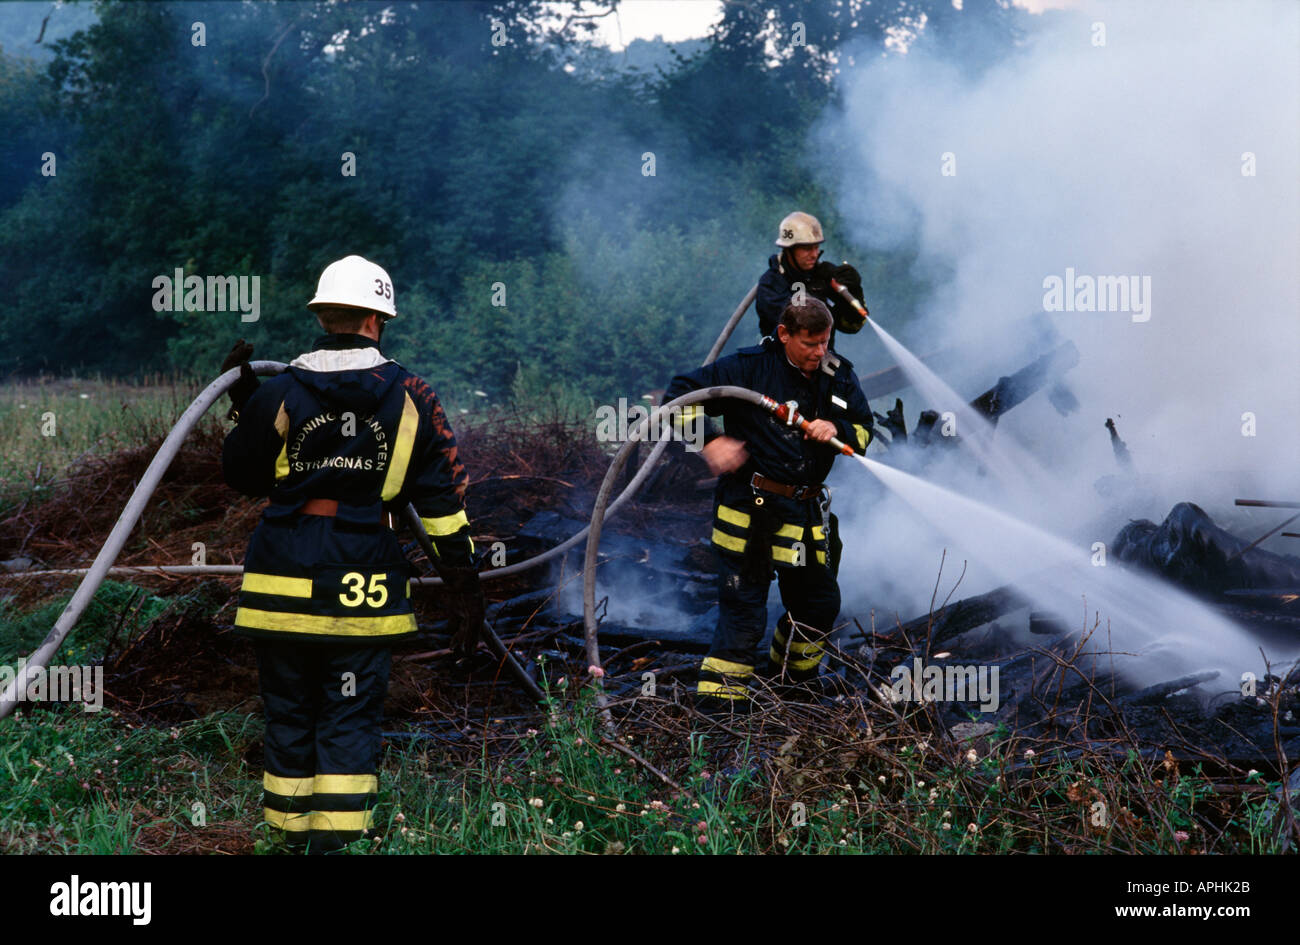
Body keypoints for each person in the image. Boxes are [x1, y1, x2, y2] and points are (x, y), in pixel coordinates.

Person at [220, 254, 483, 852]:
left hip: (279, 582)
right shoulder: (413, 395)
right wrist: (464, 581)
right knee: (347, 717)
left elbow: (240, 473)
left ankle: (286, 842)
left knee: (287, 716)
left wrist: (245, 404)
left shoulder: (282, 389)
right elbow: (441, 502)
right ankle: (336, 847)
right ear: (375, 319)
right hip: (360, 582)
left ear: (322, 314)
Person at [663, 297, 874, 715]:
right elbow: (678, 395)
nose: (819, 352)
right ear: (784, 335)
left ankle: (793, 692)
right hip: (749, 511)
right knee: (743, 614)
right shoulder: (749, 368)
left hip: (806, 514)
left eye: (824, 342)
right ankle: (720, 721)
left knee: (817, 606)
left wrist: (841, 428)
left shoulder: (838, 375)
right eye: (809, 343)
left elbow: (865, 431)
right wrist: (711, 441)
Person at [755, 211, 868, 344]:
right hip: (781, 362)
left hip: (822, 359)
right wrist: (818, 298)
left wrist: (853, 291)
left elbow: (851, 326)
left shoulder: (822, 274)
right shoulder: (770, 284)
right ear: (789, 249)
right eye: (807, 249)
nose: (814, 255)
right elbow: (799, 330)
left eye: (816, 247)